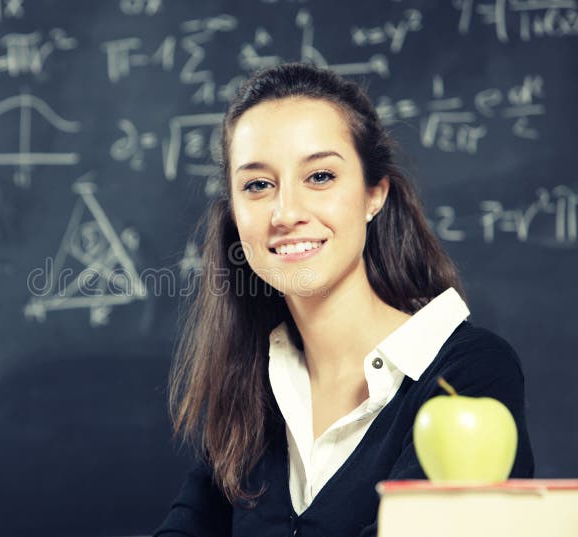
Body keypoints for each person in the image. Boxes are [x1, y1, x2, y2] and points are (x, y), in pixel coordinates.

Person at [153, 62, 534, 537]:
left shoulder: (468, 375)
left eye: (319, 177)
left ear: (374, 194)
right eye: (257, 185)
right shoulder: (256, 385)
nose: (286, 212)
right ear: (233, 213)